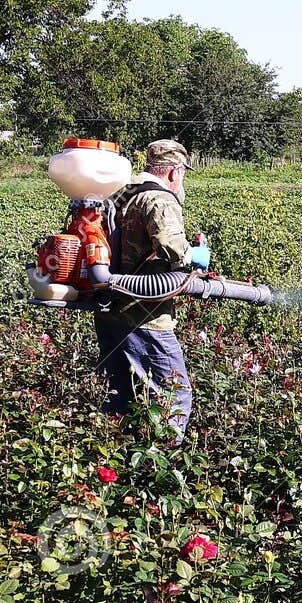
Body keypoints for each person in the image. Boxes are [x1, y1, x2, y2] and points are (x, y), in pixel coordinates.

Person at [95, 139, 204, 436]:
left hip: (109, 308)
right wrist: (195, 255)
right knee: (173, 393)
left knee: (122, 393)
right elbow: (173, 250)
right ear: (174, 171)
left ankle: (113, 453)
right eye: (182, 174)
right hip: (146, 315)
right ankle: (162, 463)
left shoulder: (122, 192)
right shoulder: (160, 199)